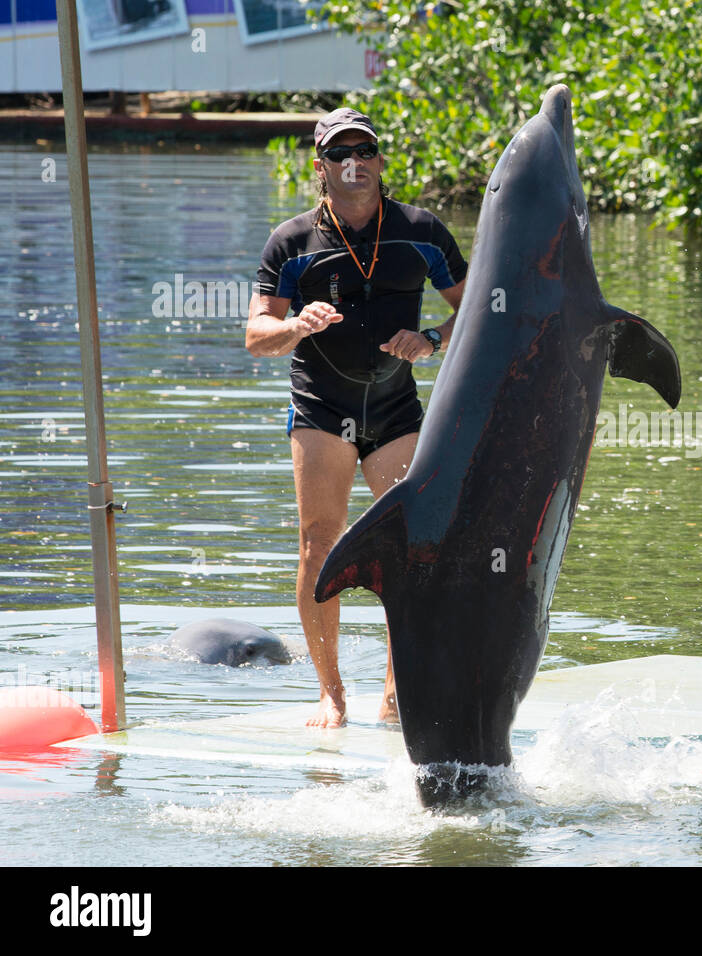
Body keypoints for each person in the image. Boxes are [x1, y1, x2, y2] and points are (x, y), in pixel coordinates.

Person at [245, 108, 467, 728]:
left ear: (379, 161)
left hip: (395, 410)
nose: (355, 161)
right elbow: (256, 334)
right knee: (320, 543)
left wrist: (431, 338)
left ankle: (397, 691)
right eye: (341, 152)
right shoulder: (291, 241)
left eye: (365, 150)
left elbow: (482, 304)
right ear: (321, 167)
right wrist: (293, 325)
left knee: (410, 547)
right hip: (322, 407)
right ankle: (331, 692)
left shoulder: (421, 230)